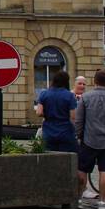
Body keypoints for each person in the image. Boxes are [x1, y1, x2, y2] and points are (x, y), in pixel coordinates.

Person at [75, 69, 105, 209]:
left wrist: (79, 135)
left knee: (82, 170)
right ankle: (102, 201)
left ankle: (78, 199)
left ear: (94, 81)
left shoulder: (86, 97)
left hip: (89, 139)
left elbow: (79, 120)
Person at [35, 72, 79, 201]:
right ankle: (65, 191)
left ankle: (49, 191)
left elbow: (39, 112)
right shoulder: (69, 96)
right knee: (68, 162)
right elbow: (73, 116)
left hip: (49, 131)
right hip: (66, 132)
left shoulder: (44, 94)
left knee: (49, 162)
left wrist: (49, 115)